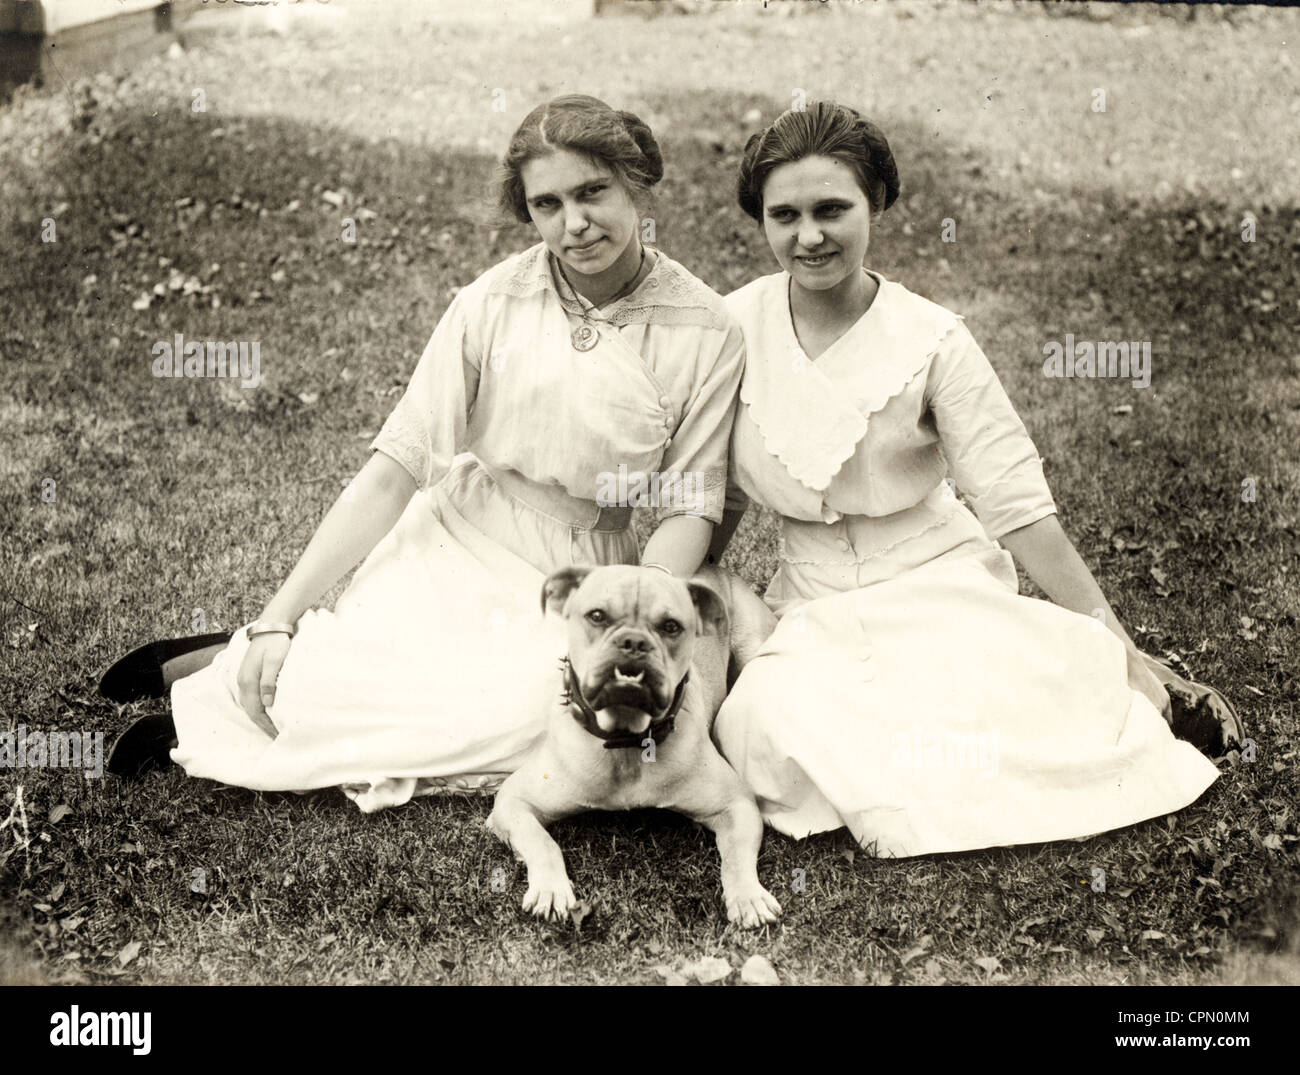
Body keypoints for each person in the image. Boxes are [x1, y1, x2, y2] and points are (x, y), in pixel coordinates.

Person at [102, 95, 744, 812]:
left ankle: (283, 667)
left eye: (593, 192)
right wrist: (280, 613)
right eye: (547, 203)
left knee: (537, 714)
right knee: (353, 682)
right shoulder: (491, 303)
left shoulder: (706, 326)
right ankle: (240, 671)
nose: (574, 223)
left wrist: (634, 623)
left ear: (636, 183)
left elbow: (692, 504)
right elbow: (394, 470)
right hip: (464, 537)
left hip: (590, 572)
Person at [709, 101, 1242, 857]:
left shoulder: (931, 337)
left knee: (1009, 703)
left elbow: (1016, 501)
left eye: (833, 209)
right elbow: (718, 495)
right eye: (783, 215)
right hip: (813, 603)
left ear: (878, 203)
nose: (809, 236)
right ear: (760, 218)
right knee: (762, 717)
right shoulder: (732, 329)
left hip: (938, 583)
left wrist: (1121, 647)